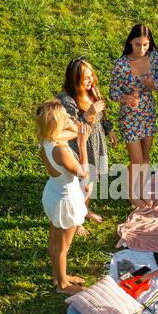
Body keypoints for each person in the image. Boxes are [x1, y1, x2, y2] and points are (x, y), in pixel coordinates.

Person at [109, 23, 158, 208]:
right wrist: (125, 98)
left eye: (145, 45)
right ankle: (131, 193)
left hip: (148, 113)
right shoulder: (121, 64)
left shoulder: (154, 58)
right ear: (130, 43)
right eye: (138, 44)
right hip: (129, 117)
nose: (141, 49)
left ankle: (141, 189)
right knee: (137, 160)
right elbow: (113, 92)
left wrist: (151, 84)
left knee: (145, 157)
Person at [36, 99, 89, 294]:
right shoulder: (61, 150)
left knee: (54, 240)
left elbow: (75, 131)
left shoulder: (45, 138)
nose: (69, 117)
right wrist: (82, 144)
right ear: (57, 123)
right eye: (65, 116)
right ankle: (63, 285)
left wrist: (73, 126)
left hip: (53, 193)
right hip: (66, 201)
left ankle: (59, 275)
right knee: (63, 246)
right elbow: (84, 173)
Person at [57, 56, 113, 230]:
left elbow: (102, 116)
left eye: (91, 76)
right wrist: (88, 114)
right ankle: (77, 220)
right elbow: (72, 128)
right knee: (80, 185)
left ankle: (85, 210)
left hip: (95, 143)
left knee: (90, 182)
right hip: (79, 146)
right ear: (75, 80)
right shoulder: (67, 100)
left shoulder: (93, 91)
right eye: (86, 78)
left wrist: (109, 130)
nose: (91, 80)